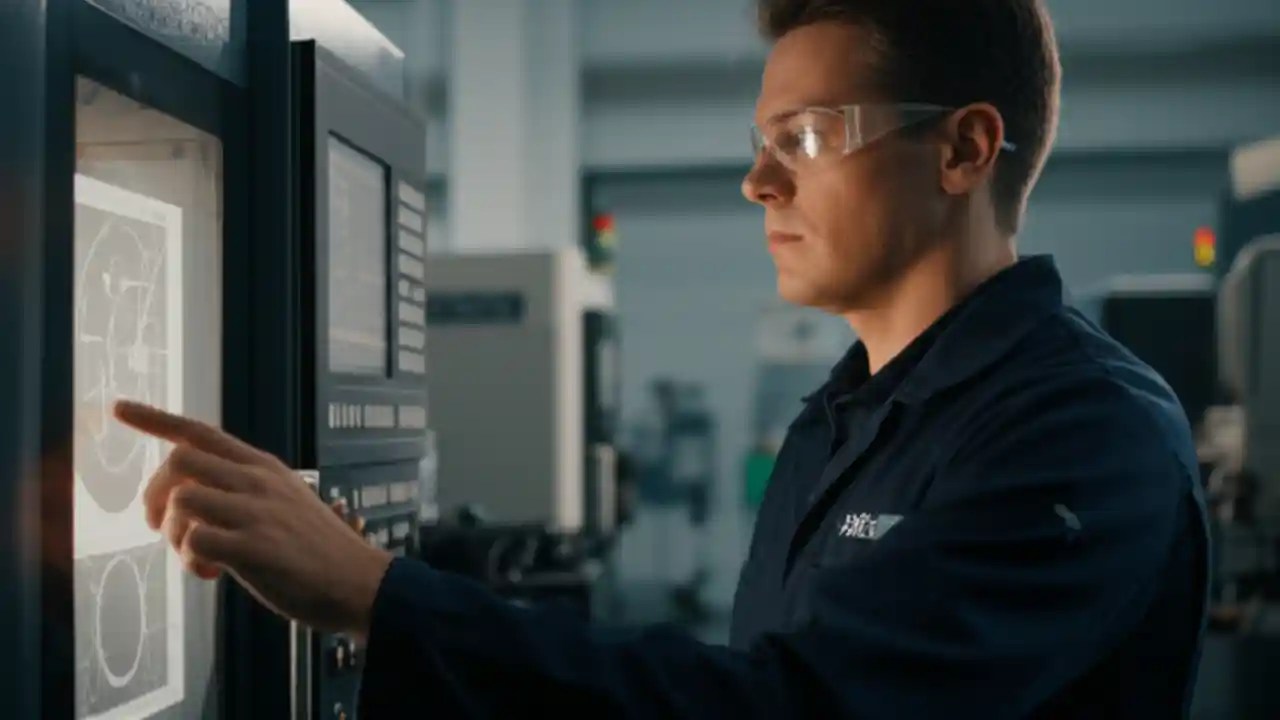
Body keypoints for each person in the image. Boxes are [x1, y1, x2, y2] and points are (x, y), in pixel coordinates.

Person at [114, 0, 1211, 716]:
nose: (759, 183)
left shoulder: (1081, 431)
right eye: (760, 142)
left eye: (809, 137)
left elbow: (795, 714)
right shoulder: (845, 418)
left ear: (965, 147)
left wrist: (380, 597)